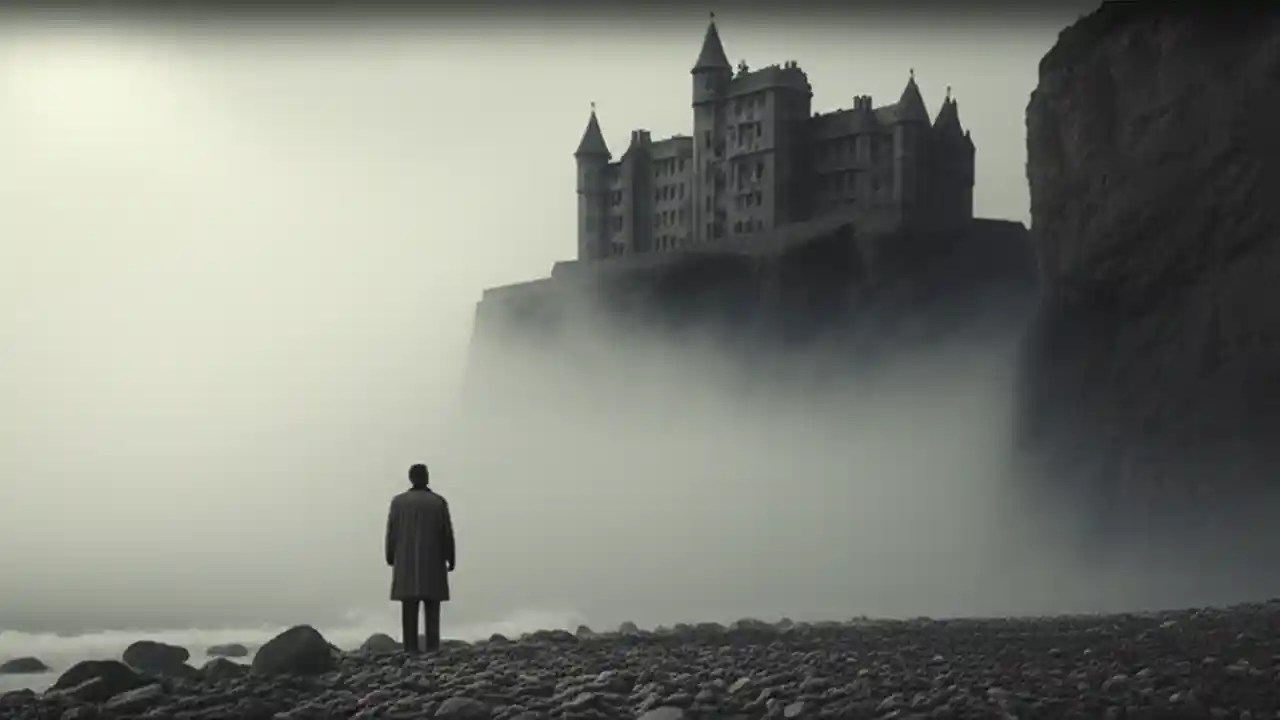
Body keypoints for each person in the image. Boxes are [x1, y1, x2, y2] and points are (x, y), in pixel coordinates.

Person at [385, 463, 456, 653]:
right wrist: (451, 556)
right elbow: (446, 533)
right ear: (426, 477)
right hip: (433, 562)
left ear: (410, 478)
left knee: (409, 608)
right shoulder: (438, 502)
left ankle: (410, 649)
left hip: (406, 562)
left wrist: (390, 555)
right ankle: (433, 648)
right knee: (432, 607)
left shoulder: (398, 502)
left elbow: (392, 531)